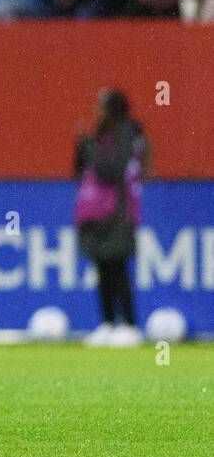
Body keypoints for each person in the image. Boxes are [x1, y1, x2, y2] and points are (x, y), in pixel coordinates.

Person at [75, 90, 150, 347]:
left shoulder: (128, 134)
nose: (96, 112)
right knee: (102, 268)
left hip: (118, 213)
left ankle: (129, 325)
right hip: (97, 213)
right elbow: (81, 170)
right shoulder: (102, 136)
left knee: (118, 268)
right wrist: (84, 146)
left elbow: (112, 170)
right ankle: (107, 323)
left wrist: (88, 145)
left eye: (101, 107)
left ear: (114, 109)